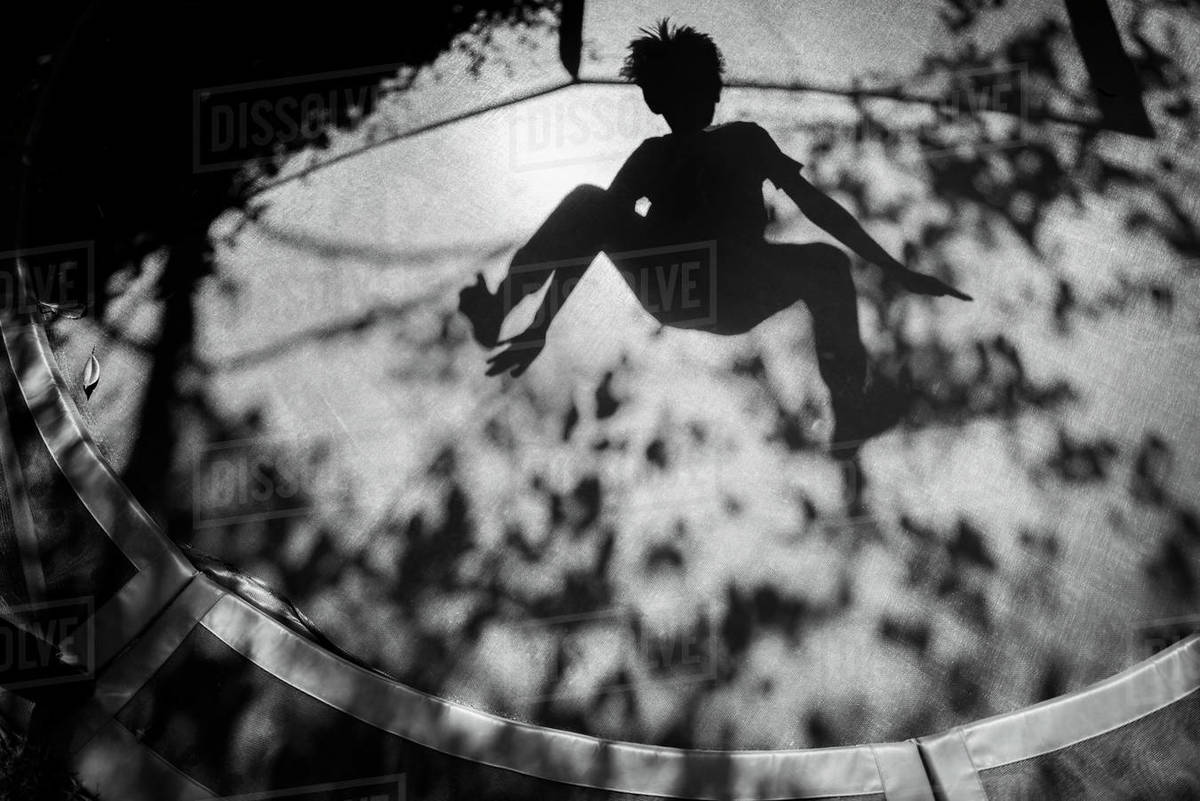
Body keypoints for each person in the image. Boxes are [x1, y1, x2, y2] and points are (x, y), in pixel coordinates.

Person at [459, 19, 970, 445]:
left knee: (826, 264)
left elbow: (817, 207)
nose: (701, 98)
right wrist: (541, 323)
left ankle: (849, 411)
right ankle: (502, 305)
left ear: (711, 91)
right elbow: (591, 231)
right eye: (688, 90)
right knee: (592, 201)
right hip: (684, 284)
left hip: (719, 287)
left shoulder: (740, 142)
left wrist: (894, 268)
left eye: (702, 87)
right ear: (664, 102)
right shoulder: (660, 155)